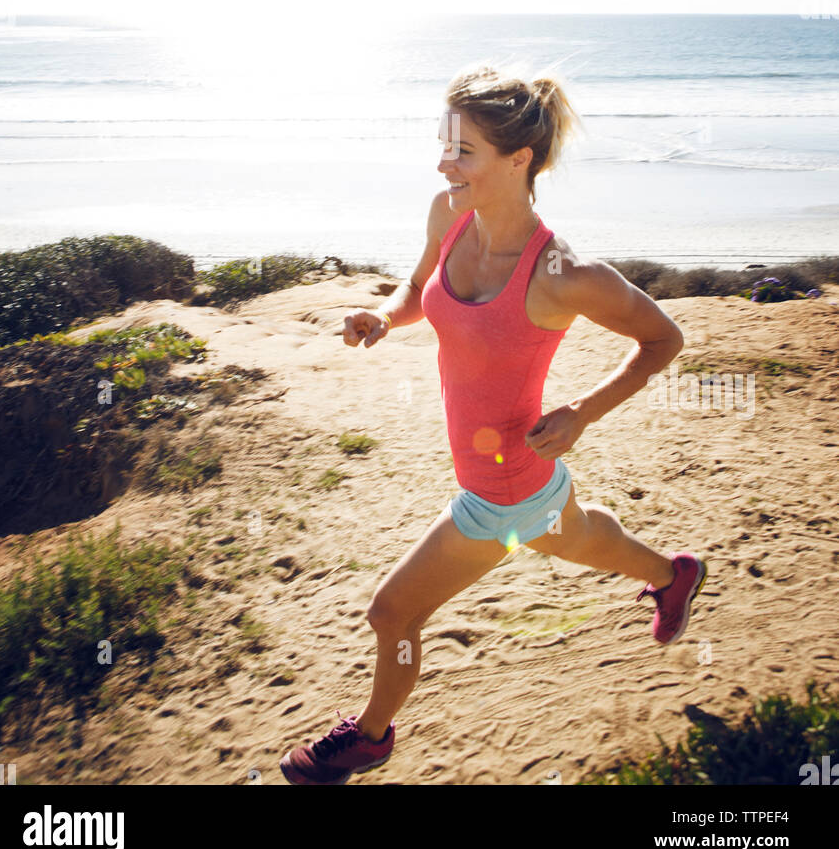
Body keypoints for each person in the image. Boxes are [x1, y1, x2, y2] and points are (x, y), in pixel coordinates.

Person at [280, 61, 707, 785]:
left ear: (520, 160)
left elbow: (664, 339)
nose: (444, 162)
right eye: (445, 144)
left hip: (501, 488)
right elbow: (419, 289)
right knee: (576, 535)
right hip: (530, 485)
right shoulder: (450, 213)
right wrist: (383, 317)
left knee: (392, 616)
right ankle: (675, 575)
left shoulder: (565, 275)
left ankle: (371, 738)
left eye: (463, 151)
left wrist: (583, 412)